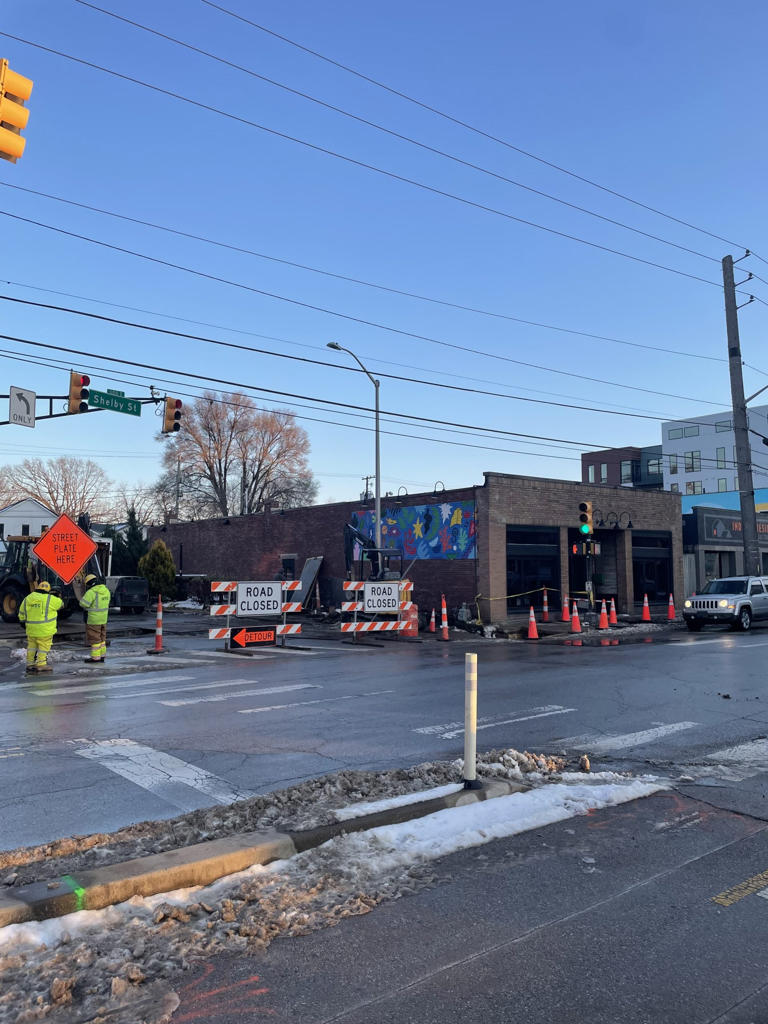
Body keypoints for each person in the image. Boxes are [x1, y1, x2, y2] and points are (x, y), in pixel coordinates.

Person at [18, 580, 63, 675]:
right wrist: (57, 596)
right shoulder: (51, 599)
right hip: (45, 630)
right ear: (48, 590)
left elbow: (21, 612)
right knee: (43, 647)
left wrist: (22, 621)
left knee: (32, 647)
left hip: (31, 629)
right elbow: (61, 605)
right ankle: (41, 665)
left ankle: (30, 664)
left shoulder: (28, 598)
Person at [79, 573, 111, 663]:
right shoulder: (106, 590)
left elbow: (83, 604)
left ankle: (96, 658)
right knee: (102, 638)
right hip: (103, 619)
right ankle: (102, 655)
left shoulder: (91, 592)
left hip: (93, 620)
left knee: (95, 639)